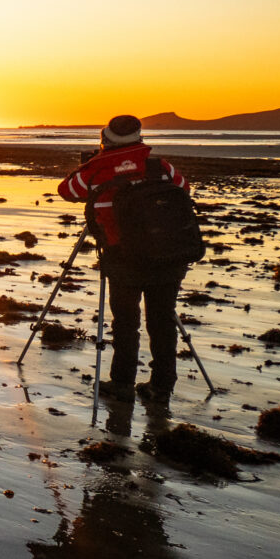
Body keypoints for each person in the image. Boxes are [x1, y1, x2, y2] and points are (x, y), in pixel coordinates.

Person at [57, 115, 190, 404]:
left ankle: (121, 384)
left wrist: (90, 165)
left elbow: (67, 191)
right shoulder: (159, 166)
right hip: (168, 255)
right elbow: (184, 188)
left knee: (126, 322)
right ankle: (162, 386)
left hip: (123, 258)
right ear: (139, 137)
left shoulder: (95, 169)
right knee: (163, 321)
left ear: (106, 138)